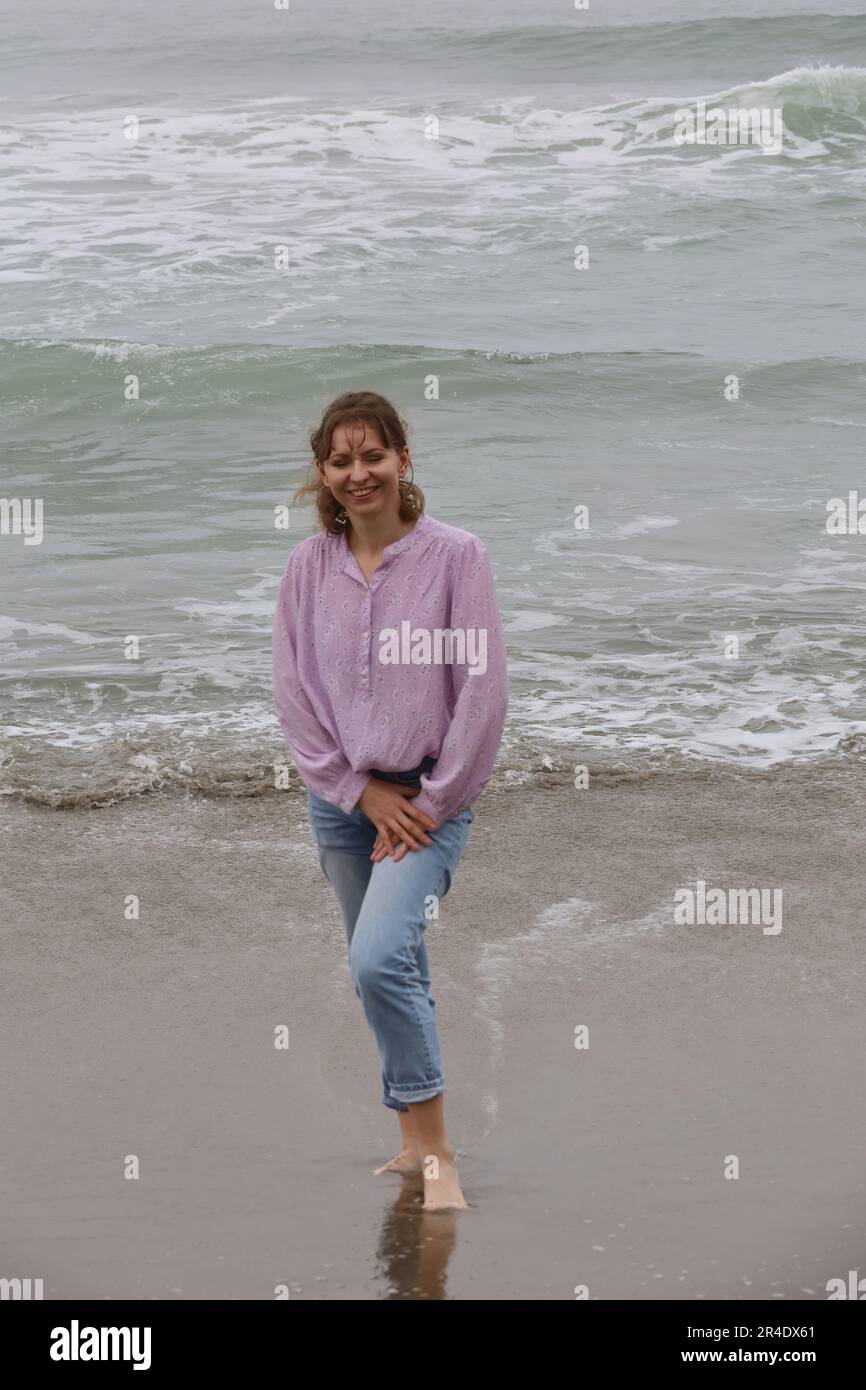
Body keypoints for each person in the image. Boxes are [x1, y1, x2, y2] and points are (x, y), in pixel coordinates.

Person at [271, 391, 508, 1210]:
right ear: (323, 473)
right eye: (340, 460)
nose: (357, 472)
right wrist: (352, 790)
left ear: (403, 460)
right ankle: (410, 1143)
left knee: (378, 962)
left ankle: (437, 1153)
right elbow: (294, 694)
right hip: (341, 806)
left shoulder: (456, 557)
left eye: (373, 456)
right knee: (390, 967)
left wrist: (431, 805)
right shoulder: (307, 569)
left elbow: (482, 693)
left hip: (429, 802)